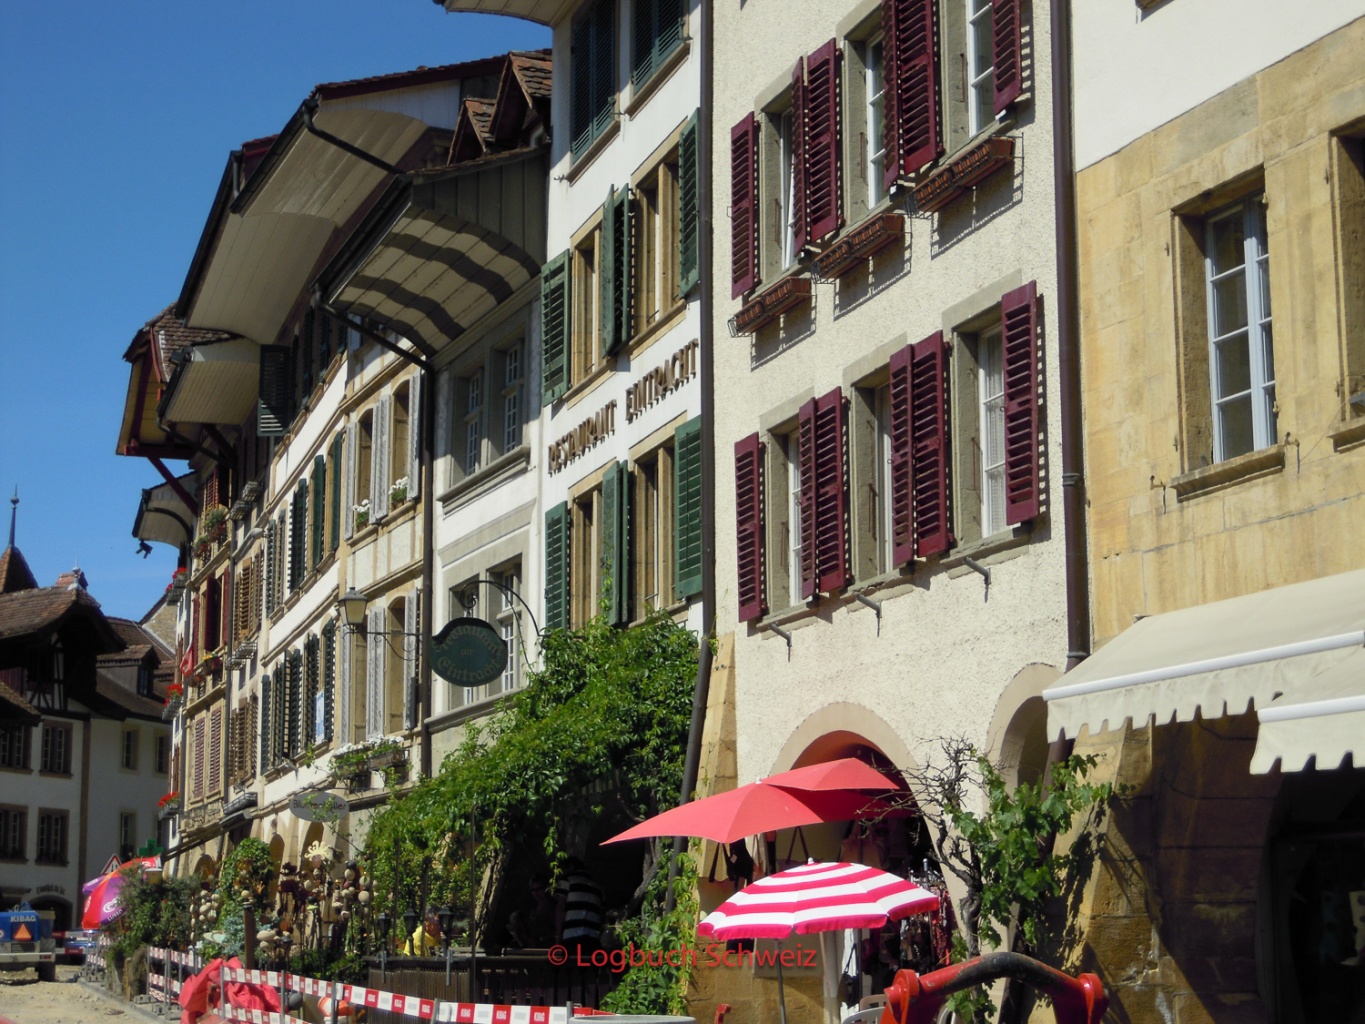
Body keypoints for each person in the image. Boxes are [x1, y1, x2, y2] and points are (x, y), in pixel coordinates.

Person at [554, 857, 604, 953]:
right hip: (593, 938)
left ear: (571, 867)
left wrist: (557, 936)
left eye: (564, 869)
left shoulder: (567, 881)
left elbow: (560, 907)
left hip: (571, 936)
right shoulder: (597, 886)